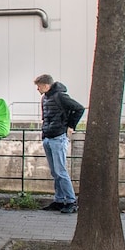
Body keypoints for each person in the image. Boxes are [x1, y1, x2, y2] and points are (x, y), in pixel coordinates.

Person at [35, 74, 84, 214]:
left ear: (46, 85)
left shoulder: (59, 96)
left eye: (39, 86)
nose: (37, 88)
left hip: (57, 136)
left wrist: (70, 126)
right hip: (50, 136)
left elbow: (79, 108)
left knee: (60, 171)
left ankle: (70, 200)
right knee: (55, 171)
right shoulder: (45, 98)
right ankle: (59, 199)